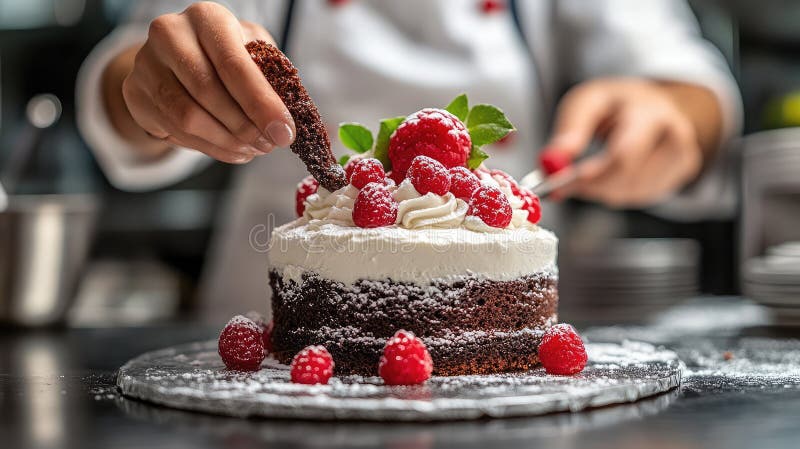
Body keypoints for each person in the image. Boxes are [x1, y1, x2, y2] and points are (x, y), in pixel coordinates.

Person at [76, 0, 742, 319]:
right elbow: (136, 68)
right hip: (275, 345)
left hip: (506, 366)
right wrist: (154, 88)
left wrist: (671, 115)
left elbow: (688, 82)